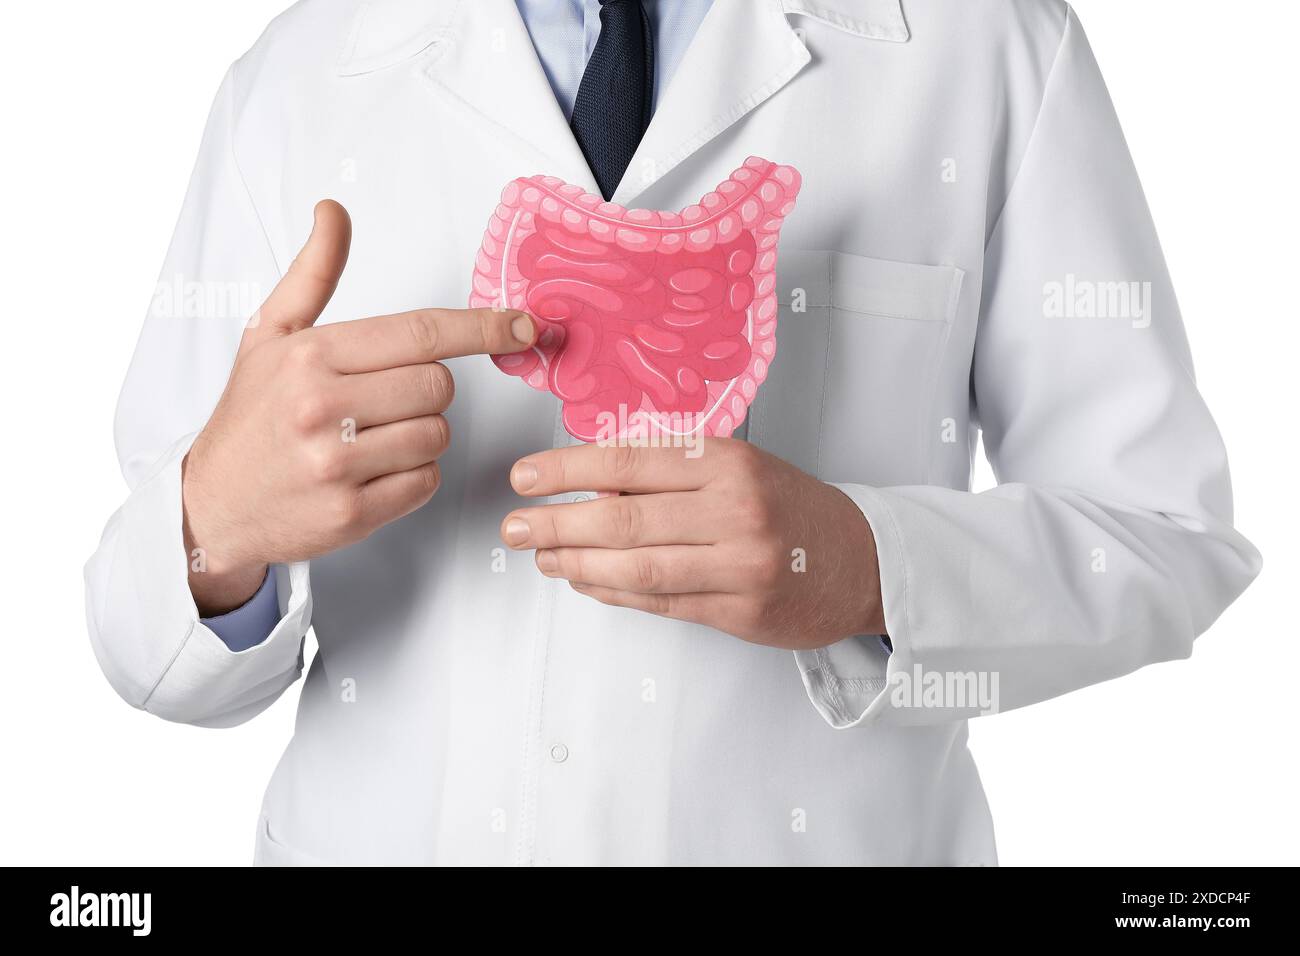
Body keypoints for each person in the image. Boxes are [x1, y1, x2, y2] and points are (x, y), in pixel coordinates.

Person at [85, 0, 1261, 865]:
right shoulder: (299, 79)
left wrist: (862, 565)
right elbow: (144, 643)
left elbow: (1163, 537)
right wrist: (210, 533)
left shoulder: (985, 44)